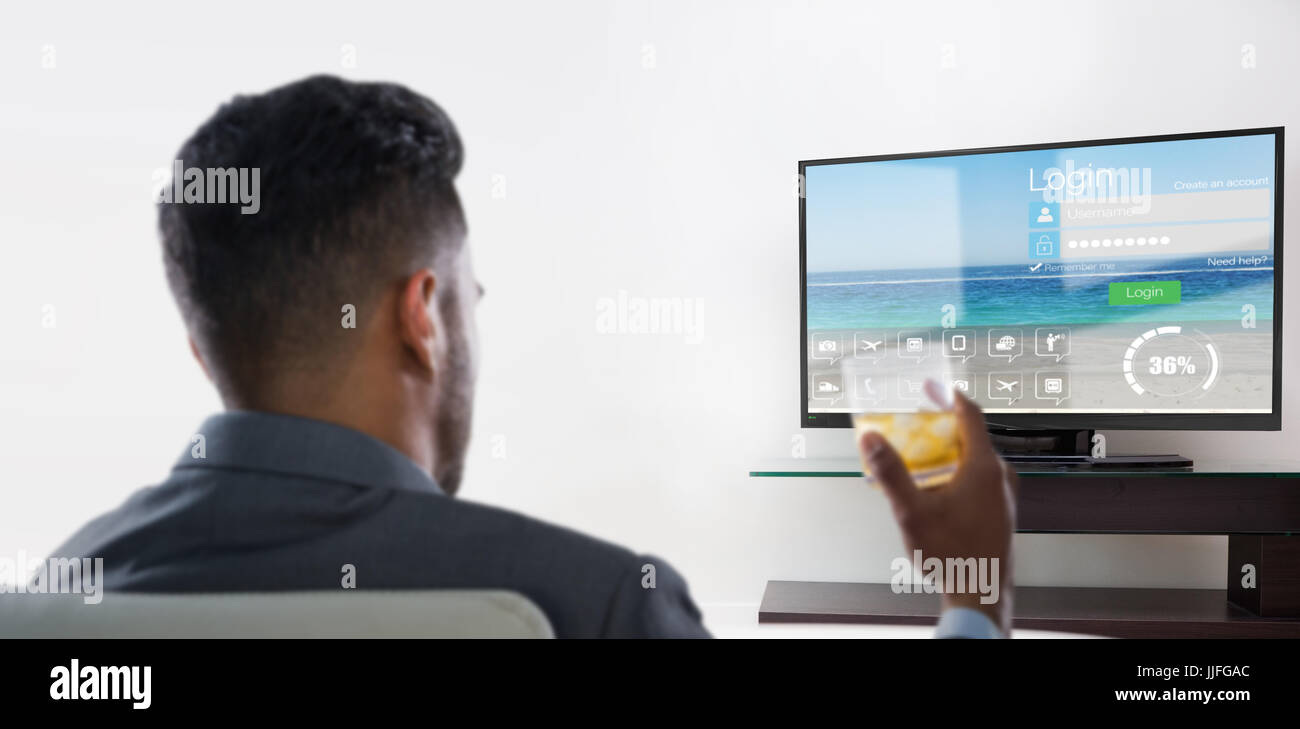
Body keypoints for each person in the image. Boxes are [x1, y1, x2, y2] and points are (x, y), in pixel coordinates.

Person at [47, 76, 1017, 638]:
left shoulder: (65, 591)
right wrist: (973, 598)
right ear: (422, 317)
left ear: (201, 346)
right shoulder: (590, 606)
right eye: (469, 297)